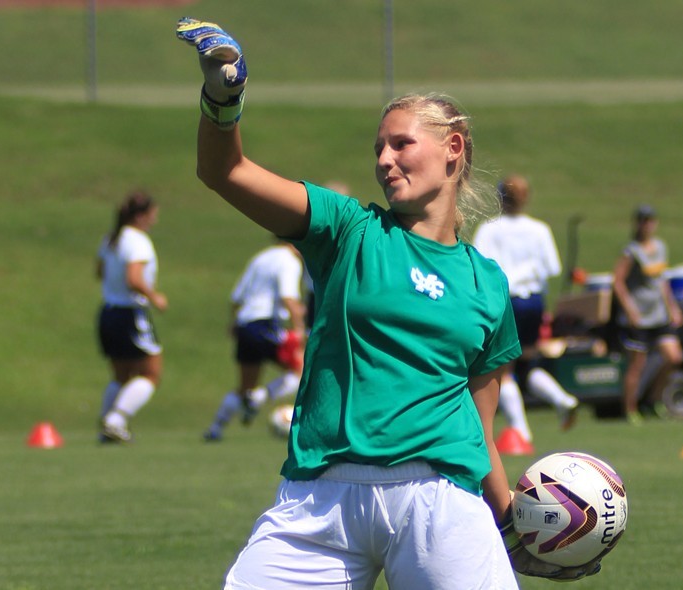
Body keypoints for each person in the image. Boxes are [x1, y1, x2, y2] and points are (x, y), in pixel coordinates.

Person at [177, 18, 603, 588]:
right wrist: (222, 99)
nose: (384, 159)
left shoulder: (488, 283)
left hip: (441, 505)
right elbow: (223, 171)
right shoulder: (348, 229)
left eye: (401, 143)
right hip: (320, 501)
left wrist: (513, 529)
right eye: (379, 147)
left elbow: (479, 428)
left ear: (453, 149)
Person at [473, 175, 580, 442]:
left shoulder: (490, 229)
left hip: (506, 300)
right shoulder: (539, 229)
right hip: (533, 301)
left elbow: (479, 263)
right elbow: (552, 267)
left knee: (503, 367)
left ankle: (520, 430)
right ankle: (562, 399)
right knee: (528, 361)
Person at [203, 238, 306, 442]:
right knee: (302, 370)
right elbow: (289, 298)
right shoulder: (289, 261)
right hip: (265, 323)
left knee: (245, 386)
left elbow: (236, 297)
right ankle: (259, 397)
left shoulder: (260, 258)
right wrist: (299, 331)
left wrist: (232, 323)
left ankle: (215, 429)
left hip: (245, 325)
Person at [95, 190, 167, 443]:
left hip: (108, 311)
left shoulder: (111, 238)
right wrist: (154, 296)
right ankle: (115, 420)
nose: (154, 220)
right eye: (152, 215)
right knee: (151, 373)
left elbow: (99, 272)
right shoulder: (137, 240)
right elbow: (133, 278)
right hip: (129, 313)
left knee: (121, 375)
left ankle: (105, 425)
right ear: (140, 216)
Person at [612, 204, 683, 424]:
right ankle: (630, 409)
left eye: (650, 220)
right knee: (636, 365)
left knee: (674, 357)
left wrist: (673, 307)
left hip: (659, 315)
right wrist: (630, 310)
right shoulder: (631, 251)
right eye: (643, 220)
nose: (647, 225)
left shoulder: (661, 247)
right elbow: (617, 281)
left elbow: (662, 281)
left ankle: (654, 399)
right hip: (640, 319)